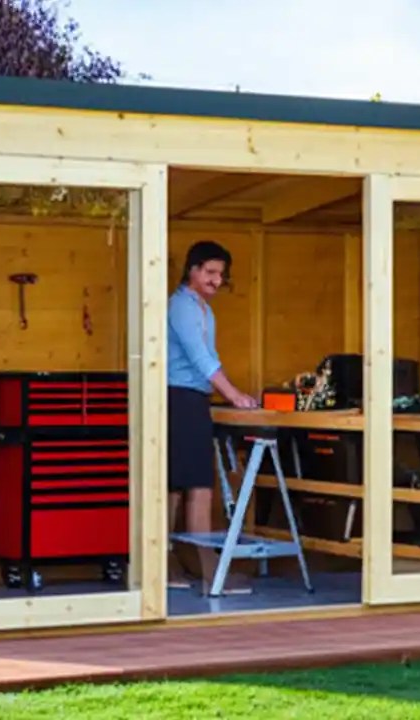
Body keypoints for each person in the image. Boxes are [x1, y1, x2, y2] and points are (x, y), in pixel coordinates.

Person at [166, 240, 258, 594]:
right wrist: (233, 395)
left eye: (221, 274)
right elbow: (201, 359)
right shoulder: (182, 307)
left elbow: (209, 359)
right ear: (192, 270)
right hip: (180, 398)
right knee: (191, 488)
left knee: (183, 487)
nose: (217, 280)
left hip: (192, 399)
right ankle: (205, 573)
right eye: (210, 272)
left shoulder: (203, 309)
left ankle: (189, 568)